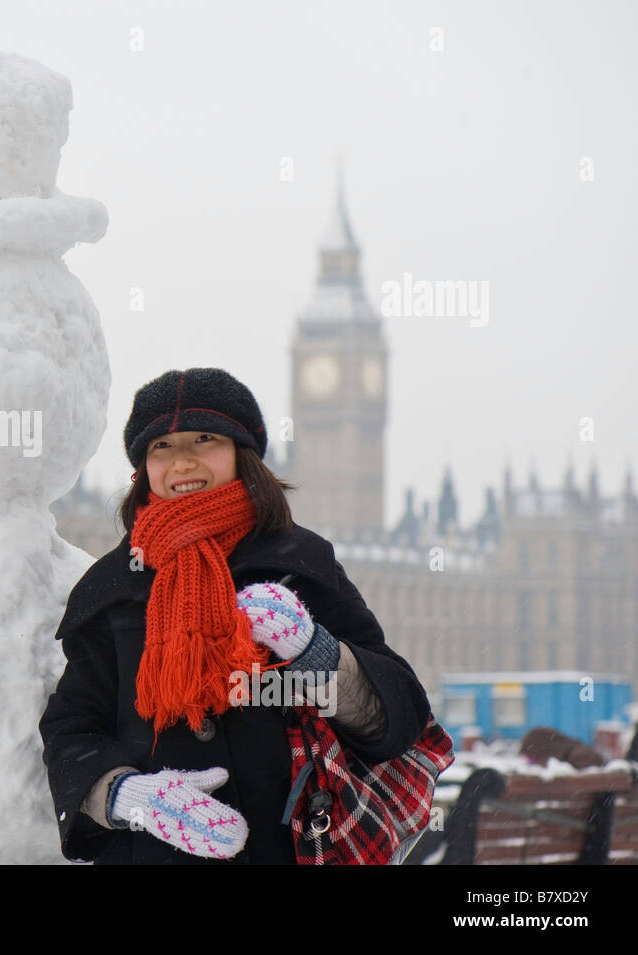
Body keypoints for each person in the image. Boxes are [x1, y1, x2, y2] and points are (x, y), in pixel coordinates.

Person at [38, 367, 433, 864]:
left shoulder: (301, 564)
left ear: (242, 455)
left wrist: (318, 653)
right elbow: (71, 728)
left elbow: (397, 718)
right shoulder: (110, 589)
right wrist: (124, 796)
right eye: (162, 445)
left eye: (205, 439)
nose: (183, 460)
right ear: (143, 468)